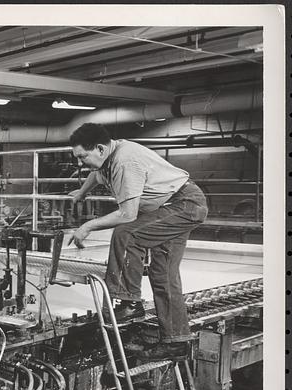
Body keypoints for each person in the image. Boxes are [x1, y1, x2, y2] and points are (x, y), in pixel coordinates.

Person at [66, 123, 208, 359]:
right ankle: (176, 341)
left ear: (100, 149)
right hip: (173, 205)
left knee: (127, 233)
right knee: (163, 274)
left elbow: (128, 214)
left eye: (83, 157)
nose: (81, 163)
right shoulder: (108, 155)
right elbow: (96, 173)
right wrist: (82, 192)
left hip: (183, 206)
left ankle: (128, 302)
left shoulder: (124, 162)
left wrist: (87, 226)